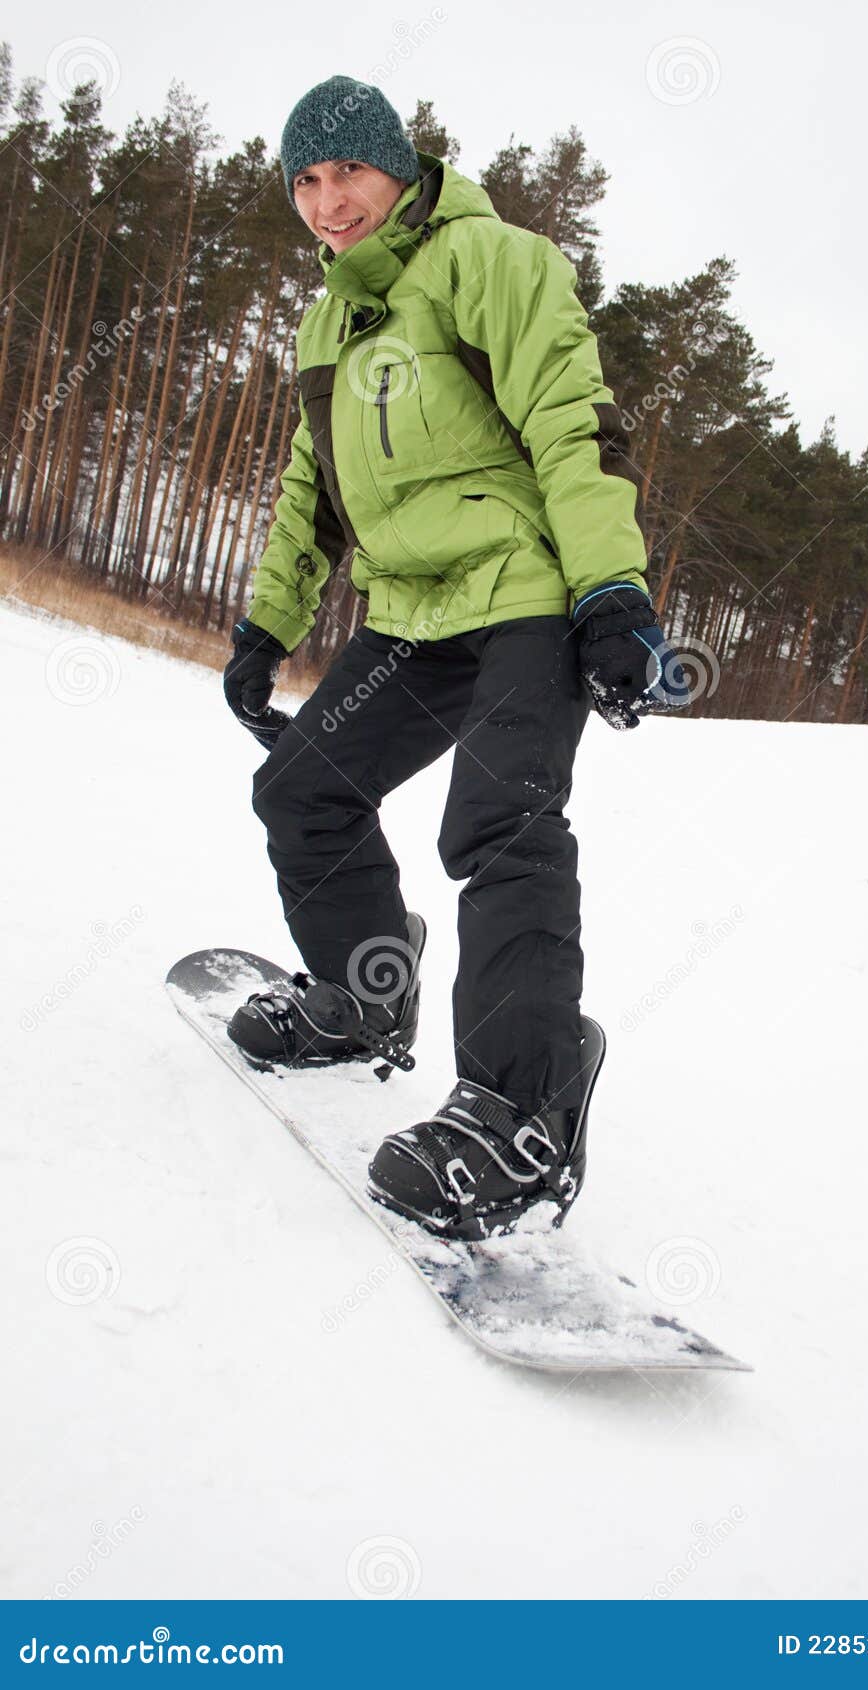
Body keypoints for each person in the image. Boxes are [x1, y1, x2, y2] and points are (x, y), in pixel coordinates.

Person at [223, 76, 686, 1241]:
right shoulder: (326, 321)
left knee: (500, 824)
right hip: (410, 615)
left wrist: (610, 592)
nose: (330, 204)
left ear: (402, 167)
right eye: (307, 183)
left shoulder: (496, 261)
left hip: (524, 594)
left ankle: (517, 1116)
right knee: (302, 793)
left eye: (350, 175)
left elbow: (574, 427)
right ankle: (363, 997)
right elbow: (309, 494)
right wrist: (265, 626)